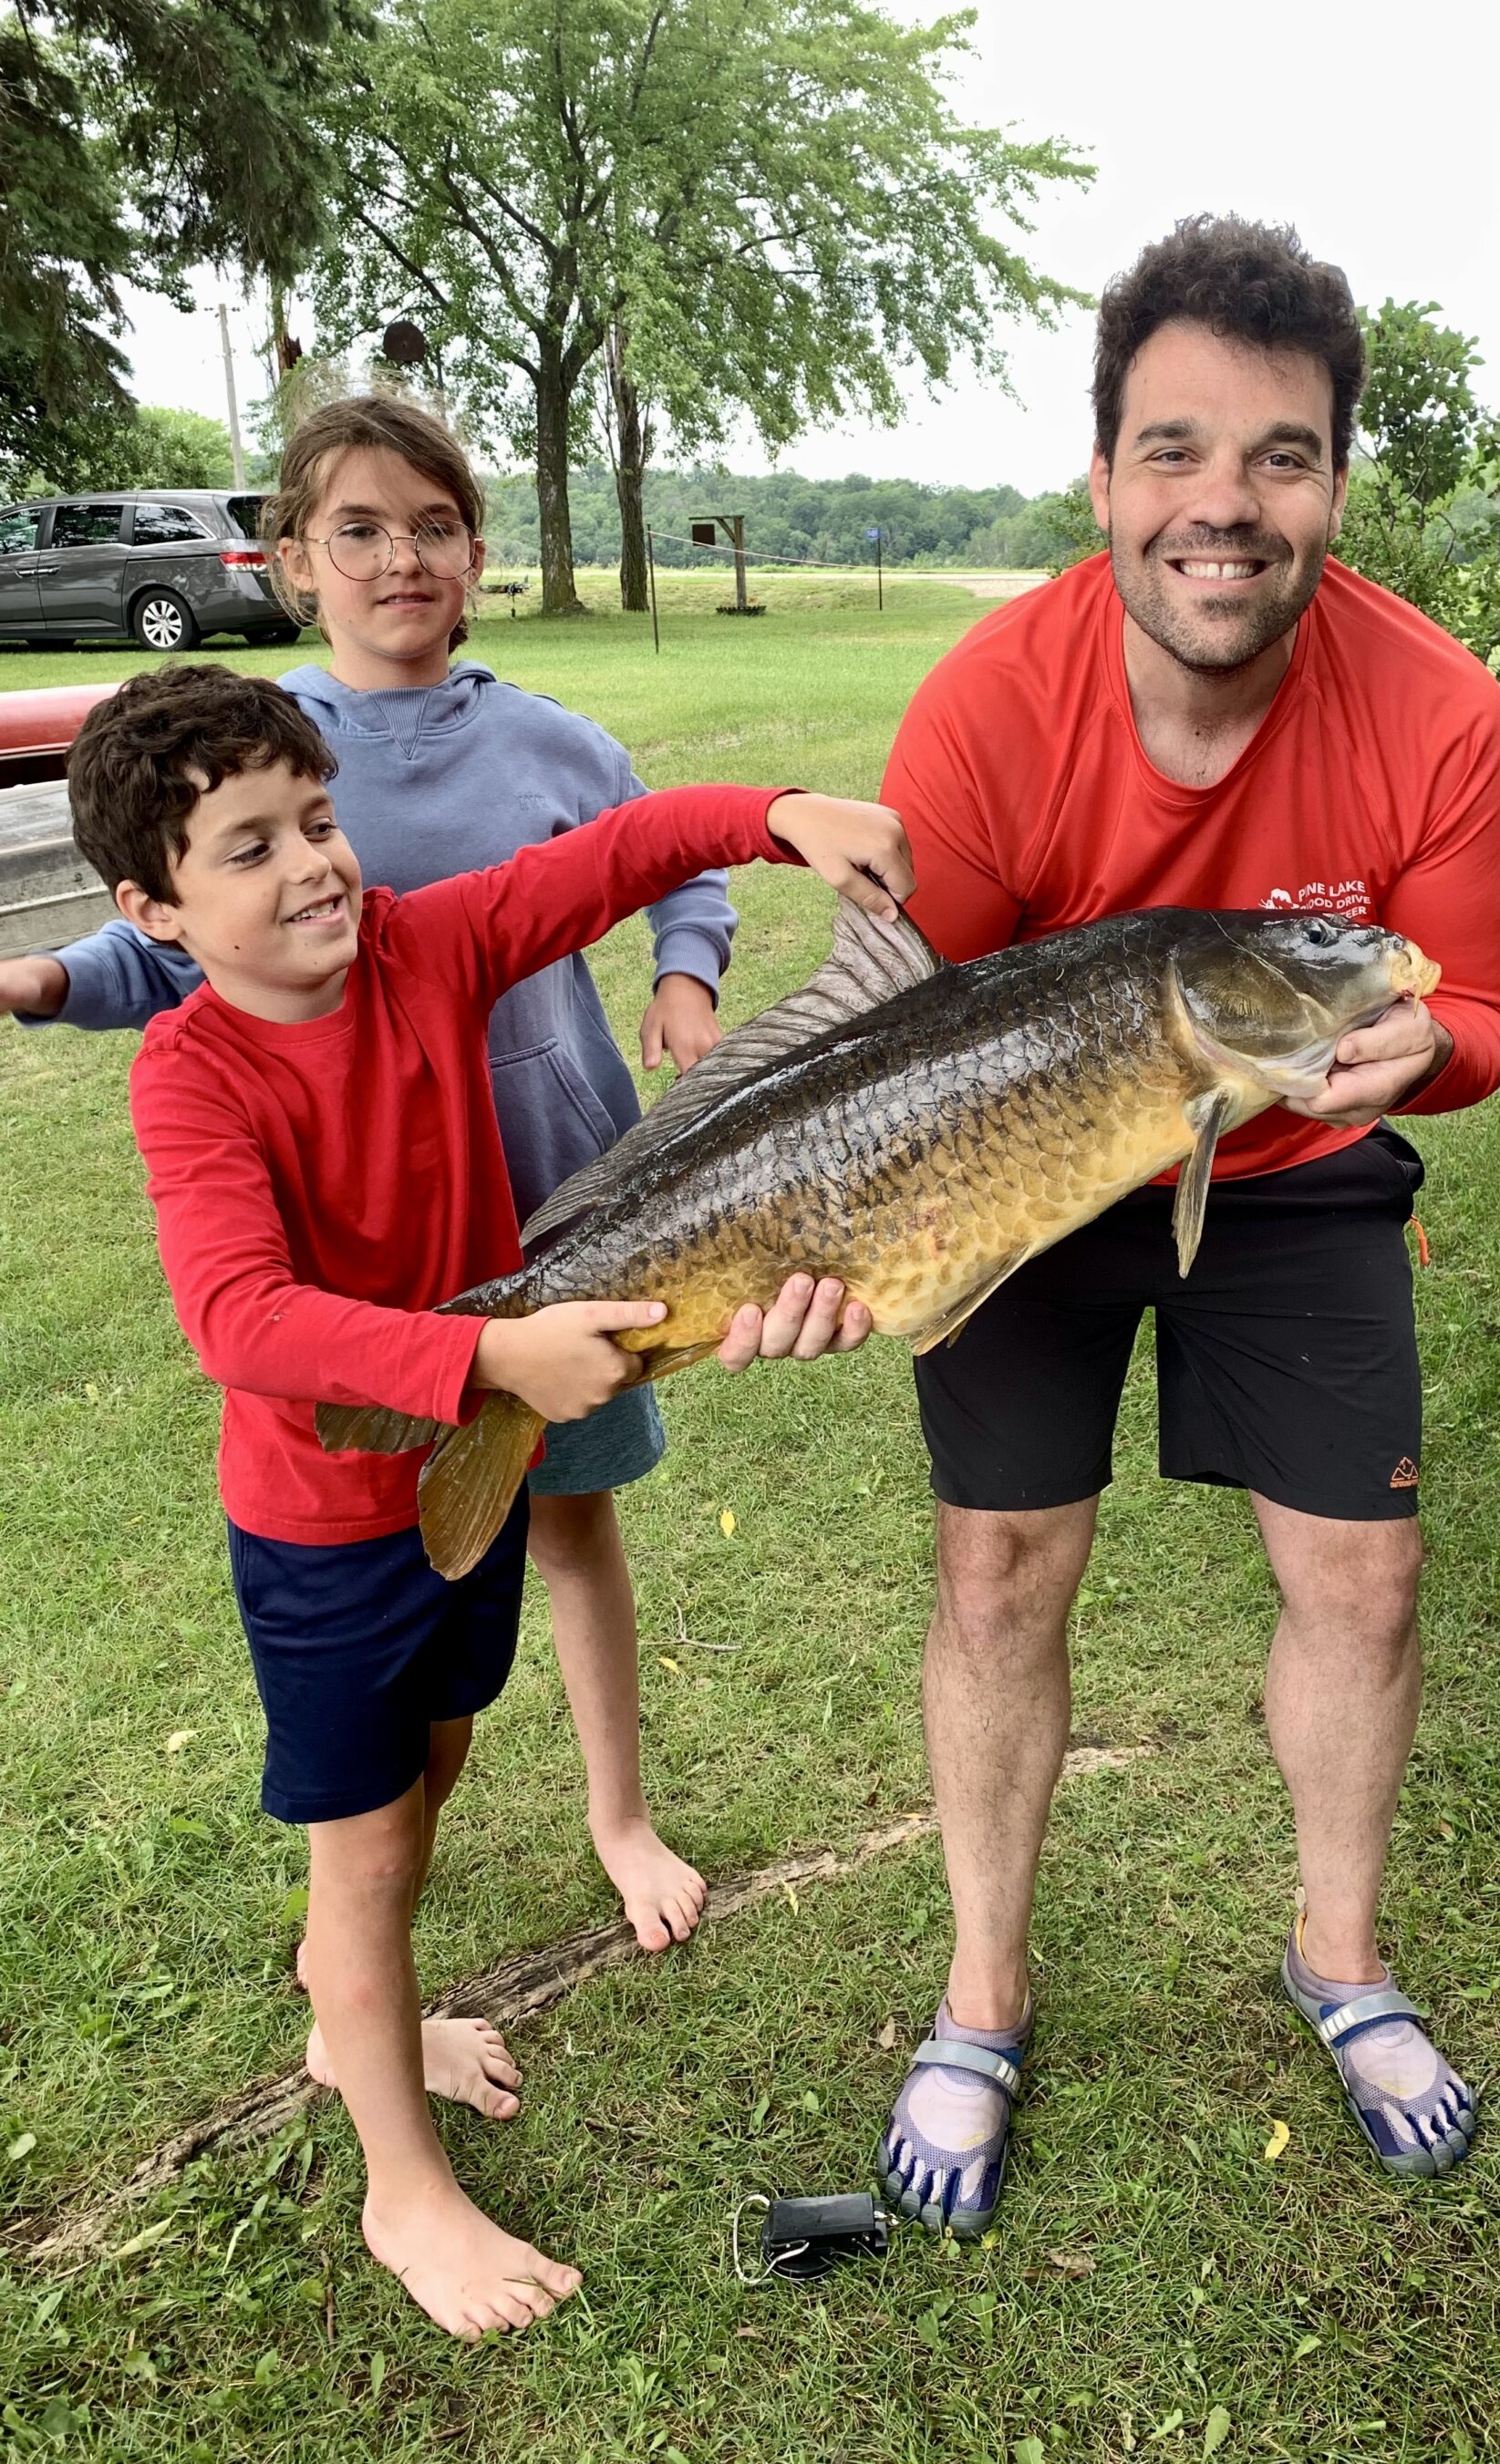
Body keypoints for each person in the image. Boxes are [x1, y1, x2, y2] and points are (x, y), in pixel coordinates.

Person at [70, 655, 910, 2334]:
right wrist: (492, 1359)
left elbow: (607, 857)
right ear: (152, 912)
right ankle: (403, 2188)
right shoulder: (193, 1072)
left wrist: (773, 816)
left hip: (466, 1475)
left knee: (439, 1759)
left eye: (317, 820)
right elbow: (239, 1321)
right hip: (323, 1526)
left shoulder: (424, 947)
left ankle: (356, 2021)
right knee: (371, 1856)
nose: (313, 864)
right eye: (249, 847)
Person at [871, 215, 1500, 2231]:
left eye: (1279, 456)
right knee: (998, 1574)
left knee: (1364, 1583)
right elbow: (900, 1040)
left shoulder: (1440, 711)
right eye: (1172, 450)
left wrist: (1415, 1059)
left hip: (1299, 1166)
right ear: (1102, 477)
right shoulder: (989, 704)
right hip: (1034, 1170)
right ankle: (984, 1995)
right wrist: (855, 1242)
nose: (1222, 506)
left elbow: (1481, 1011)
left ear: (1334, 481)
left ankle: (1341, 1960)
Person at [0, 398, 733, 1956]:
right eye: (359, 529)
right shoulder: (248, 743)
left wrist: (689, 966)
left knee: (572, 1525)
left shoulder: (547, 739)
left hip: (572, 1206)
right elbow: (174, 949)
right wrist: (53, 980)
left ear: (474, 550)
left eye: (433, 524)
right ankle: (368, 1897)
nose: (401, 556)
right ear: (290, 561)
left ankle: (617, 1815)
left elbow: (655, 850)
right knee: (414, 1559)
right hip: (384, 1268)